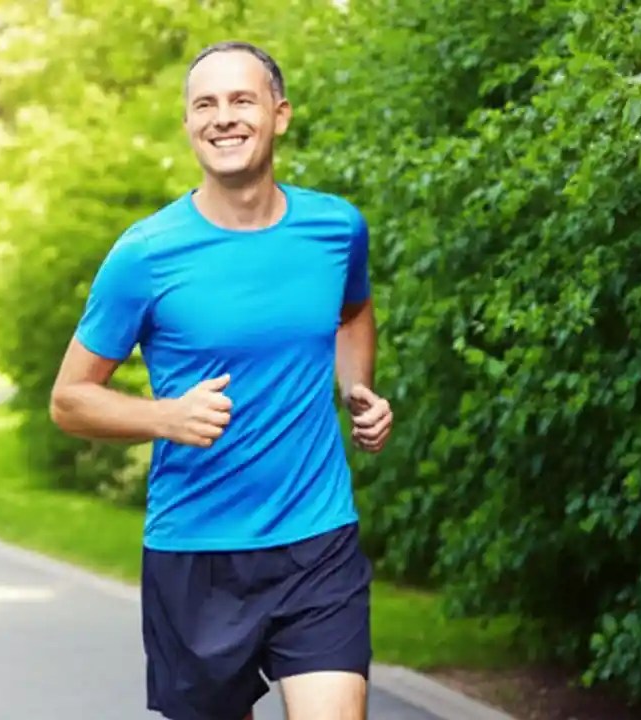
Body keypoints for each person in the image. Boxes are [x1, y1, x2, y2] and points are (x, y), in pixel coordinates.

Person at [48, 40, 394, 720]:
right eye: (205, 104)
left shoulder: (335, 228)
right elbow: (69, 400)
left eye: (241, 100)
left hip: (317, 541)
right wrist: (164, 417)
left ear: (279, 114)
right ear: (188, 124)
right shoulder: (145, 254)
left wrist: (356, 387)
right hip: (197, 555)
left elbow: (353, 311)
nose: (223, 117)